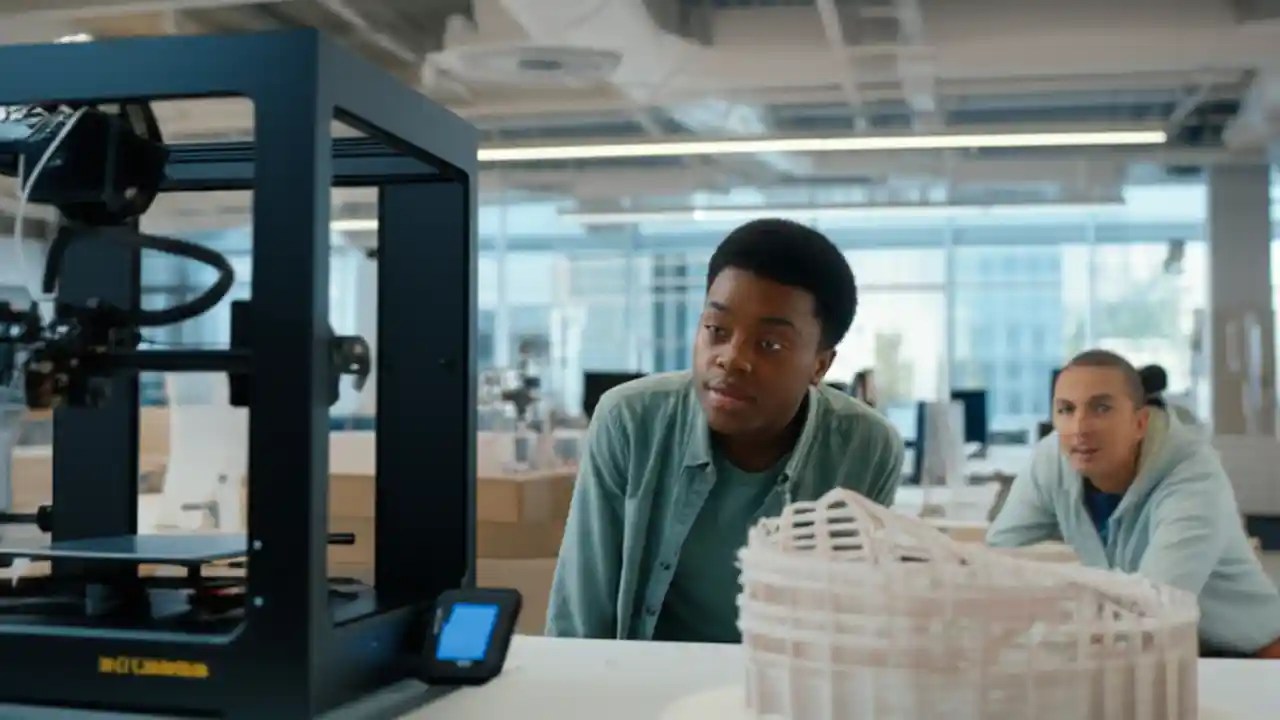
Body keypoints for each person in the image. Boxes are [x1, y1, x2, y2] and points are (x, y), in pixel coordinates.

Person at [546, 218, 904, 643]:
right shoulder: (629, 421)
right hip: (642, 690)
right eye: (716, 330)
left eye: (769, 344)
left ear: (819, 365)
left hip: (782, 696)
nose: (732, 359)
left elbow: (847, 626)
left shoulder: (865, 448)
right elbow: (580, 620)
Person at [988, 349, 1280, 658]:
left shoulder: (1192, 475)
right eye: (1066, 409)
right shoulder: (1054, 459)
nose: (1080, 427)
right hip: (1165, 654)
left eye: (1101, 408)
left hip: (1252, 658)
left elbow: (1155, 606)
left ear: (1139, 422)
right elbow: (995, 561)